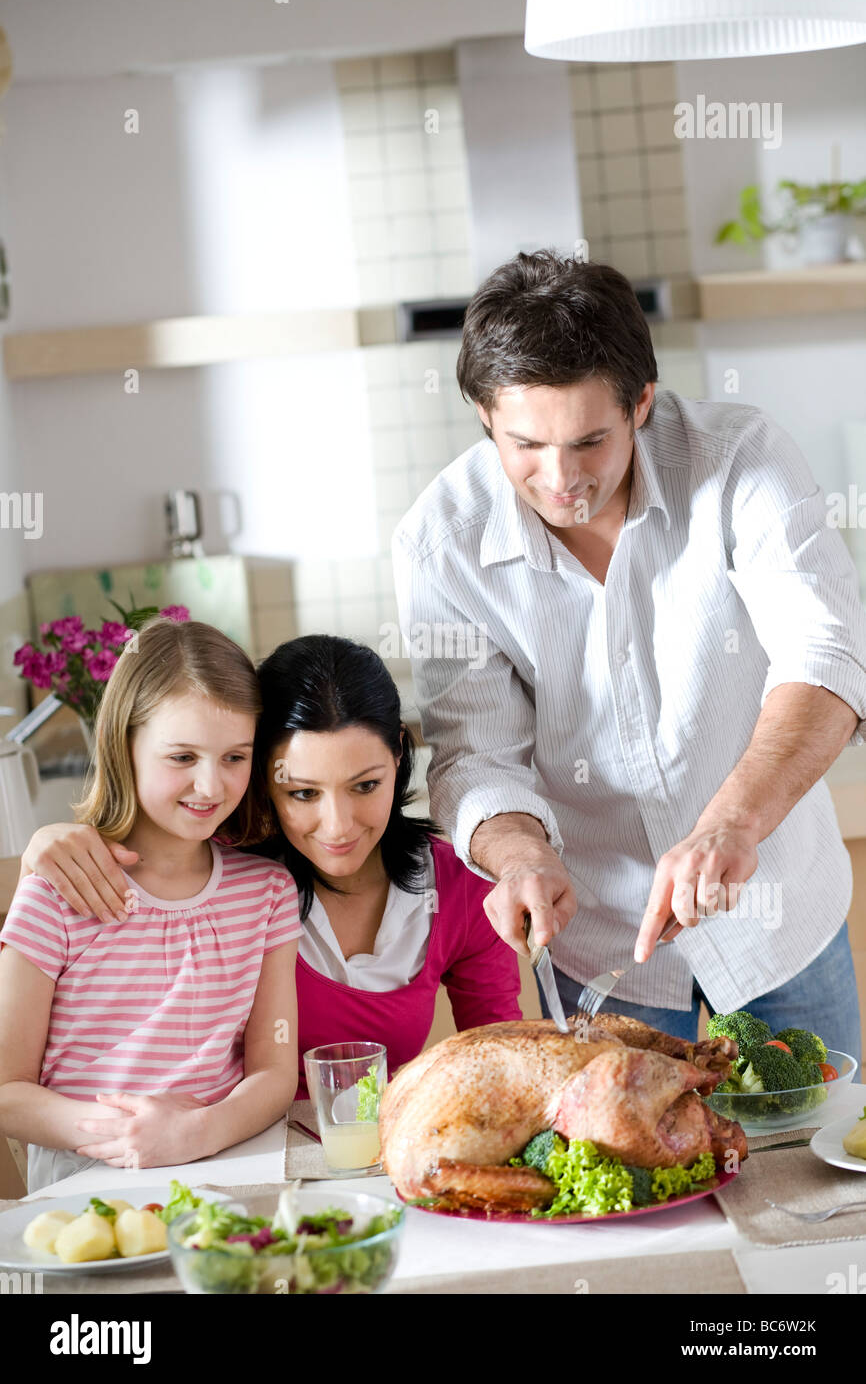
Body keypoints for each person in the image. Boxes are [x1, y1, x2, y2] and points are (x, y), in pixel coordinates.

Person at [392, 248, 866, 1063]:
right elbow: (476, 754)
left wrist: (732, 825)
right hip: (603, 944)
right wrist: (519, 855)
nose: (561, 478)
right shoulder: (442, 545)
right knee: (636, 1177)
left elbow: (824, 653)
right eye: (526, 445)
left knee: (822, 1168)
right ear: (482, 415)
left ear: (642, 401)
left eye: (589, 441)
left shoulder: (740, 459)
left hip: (777, 913)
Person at [20, 635, 522, 1096]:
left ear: (399, 759)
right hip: (240, 1158)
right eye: (302, 792)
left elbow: (505, 1057)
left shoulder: (458, 885)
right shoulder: (224, 867)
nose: (338, 826)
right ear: (261, 777)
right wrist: (42, 846)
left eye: (365, 785)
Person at [0, 618, 301, 1191]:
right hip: (88, 1178)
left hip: (230, 1164)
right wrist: (122, 1133)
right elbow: (5, 1090)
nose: (211, 786)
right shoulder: (56, 890)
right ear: (125, 744)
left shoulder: (267, 894)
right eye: (182, 756)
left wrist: (196, 1133)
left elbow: (274, 1068)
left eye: (234, 757)